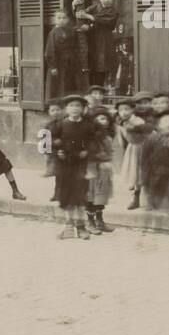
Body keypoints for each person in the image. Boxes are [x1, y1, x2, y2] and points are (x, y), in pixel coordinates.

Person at [53, 94, 96, 240]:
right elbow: (51, 141)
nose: (74, 109)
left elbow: (94, 141)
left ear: (83, 108)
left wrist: (88, 151)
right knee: (66, 196)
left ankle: (81, 226)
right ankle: (68, 227)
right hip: (65, 165)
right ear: (66, 108)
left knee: (79, 196)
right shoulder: (60, 124)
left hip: (81, 165)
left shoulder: (88, 125)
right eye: (71, 105)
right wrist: (57, 151)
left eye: (78, 106)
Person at [140, 112, 169, 215]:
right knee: (153, 187)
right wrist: (145, 171)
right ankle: (151, 203)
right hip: (155, 169)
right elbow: (145, 157)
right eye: (167, 123)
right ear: (159, 126)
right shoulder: (151, 139)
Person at [115, 96, 149, 210]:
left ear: (133, 110)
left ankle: (150, 199)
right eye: (121, 110)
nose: (124, 112)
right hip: (132, 149)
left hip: (143, 148)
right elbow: (123, 139)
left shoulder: (138, 122)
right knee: (135, 174)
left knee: (143, 173)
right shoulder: (121, 123)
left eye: (126, 109)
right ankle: (136, 199)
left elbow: (148, 134)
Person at [85, 109, 116, 234]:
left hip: (104, 168)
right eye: (101, 119)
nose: (105, 121)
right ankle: (90, 222)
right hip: (92, 168)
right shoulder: (91, 136)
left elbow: (110, 152)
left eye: (107, 119)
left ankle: (100, 220)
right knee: (91, 195)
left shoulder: (107, 135)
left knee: (101, 195)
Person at [85, 0, 120, 89]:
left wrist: (88, 16)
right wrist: (75, 5)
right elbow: (81, 14)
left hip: (104, 41)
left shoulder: (113, 12)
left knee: (101, 66)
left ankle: (99, 90)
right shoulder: (95, 7)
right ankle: (92, 90)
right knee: (91, 66)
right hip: (93, 40)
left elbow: (102, 20)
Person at [45, 13, 81, 101]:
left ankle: (67, 103)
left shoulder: (71, 31)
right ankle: (57, 105)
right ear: (55, 20)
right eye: (59, 18)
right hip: (58, 63)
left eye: (64, 18)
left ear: (68, 20)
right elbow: (50, 50)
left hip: (70, 62)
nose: (61, 20)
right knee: (58, 86)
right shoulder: (53, 32)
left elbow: (76, 47)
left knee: (68, 84)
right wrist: (53, 66)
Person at [39, 100, 64, 200]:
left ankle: (63, 194)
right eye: (53, 110)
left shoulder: (65, 122)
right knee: (58, 174)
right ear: (49, 112)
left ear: (62, 111)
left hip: (64, 151)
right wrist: (46, 153)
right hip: (54, 153)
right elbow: (44, 140)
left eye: (58, 109)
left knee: (64, 174)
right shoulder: (48, 125)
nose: (56, 112)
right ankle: (57, 194)